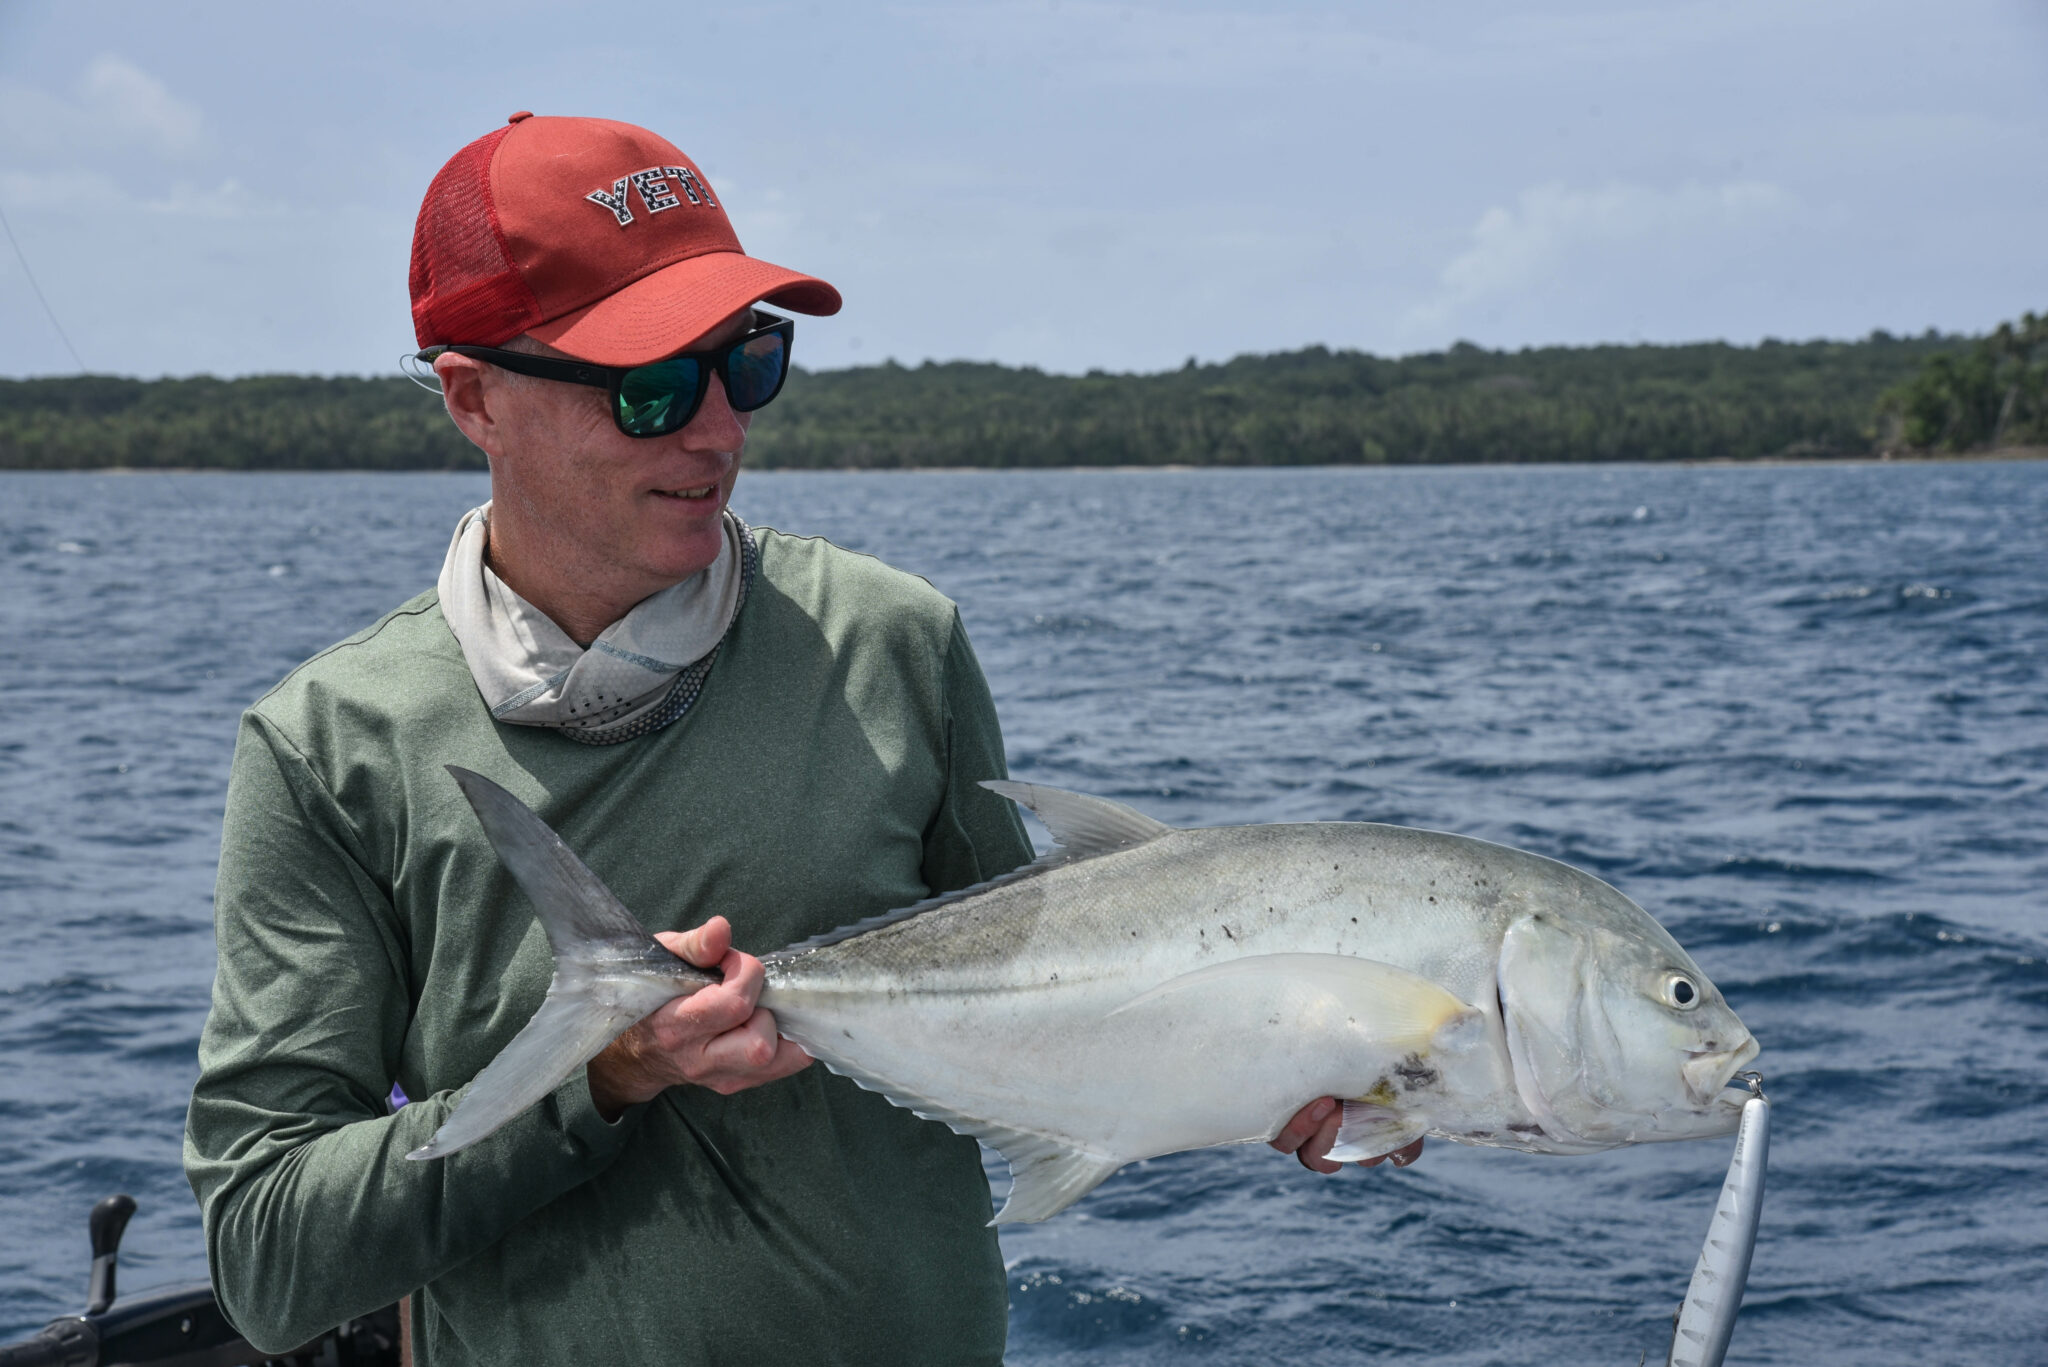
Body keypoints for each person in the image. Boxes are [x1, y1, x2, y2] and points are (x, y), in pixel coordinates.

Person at [182, 112, 1417, 1367]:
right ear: (473, 399)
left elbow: (1042, 1011)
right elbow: (268, 1262)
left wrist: (1274, 1064)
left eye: (747, 361)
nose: (718, 430)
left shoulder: (891, 642)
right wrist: (597, 1079)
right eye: (648, 385)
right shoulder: (330, 745)